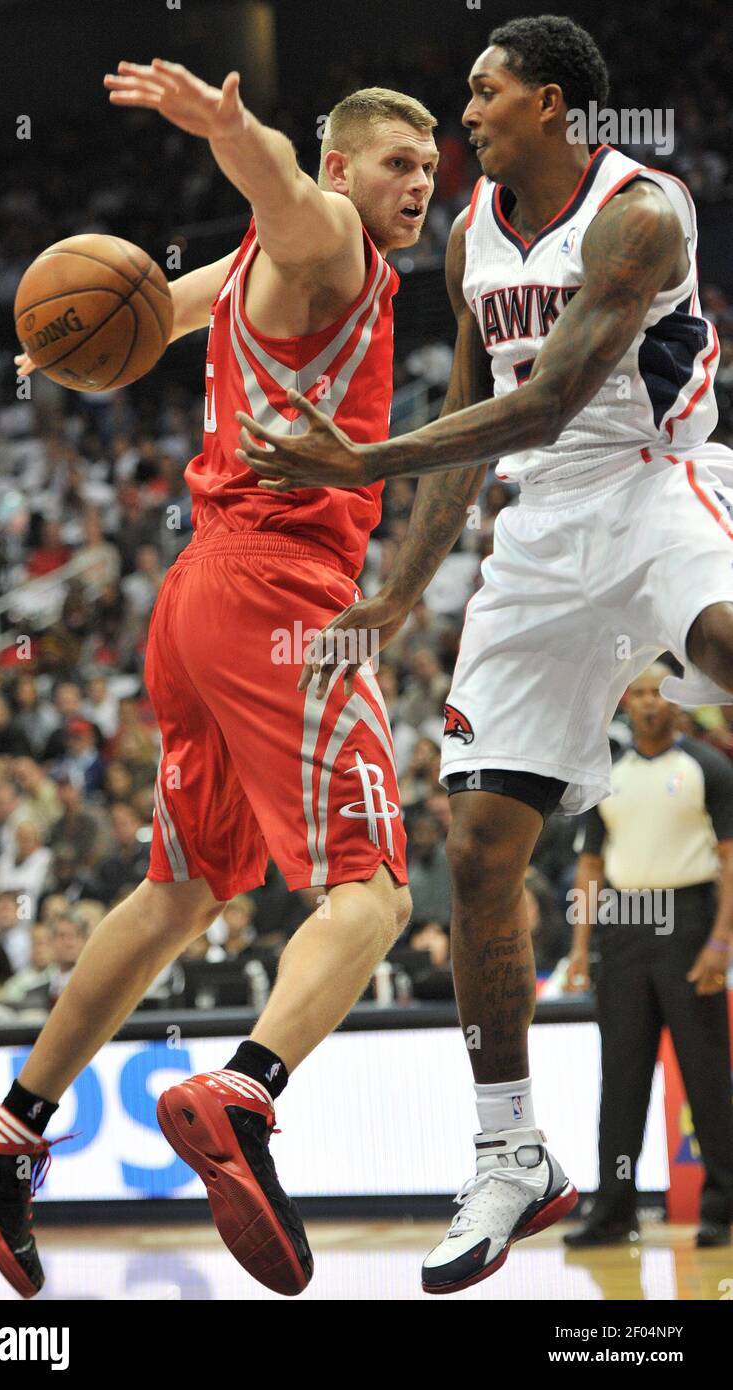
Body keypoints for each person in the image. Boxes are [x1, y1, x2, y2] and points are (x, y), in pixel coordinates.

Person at [237, 15, 733, 1292]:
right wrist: (399, 591)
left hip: (651, 482)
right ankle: (511, 1152)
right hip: (533, 533)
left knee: (727, 643)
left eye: (484, 91)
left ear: (556, 106)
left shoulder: (642, 211)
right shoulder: (466, 236)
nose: (464, 113)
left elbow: (557, 395)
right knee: (473, 846)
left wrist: (359, 459)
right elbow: (473, 419)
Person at [0, 57, 437, 1298]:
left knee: (181, 890)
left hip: (199, 599)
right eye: (396, 163)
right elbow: (281, 193)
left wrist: (80, 327)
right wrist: (234, 130)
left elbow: (151, 313)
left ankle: (9, 1126)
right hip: (281, 600)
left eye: (430, 169)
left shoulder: (292, 265)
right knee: (370, 894)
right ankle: (243, 1092)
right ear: (339, 168)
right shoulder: (323, 238)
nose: (418, 185)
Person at [563, 664, 733, 1248]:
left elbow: (731, 860)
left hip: (690, 923)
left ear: (677, 703)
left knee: (707, 1073)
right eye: (637, 693)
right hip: (621, 928)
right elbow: (589, 866)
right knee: (622, 1077)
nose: (648, 703)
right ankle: (613, 1211)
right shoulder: (604, 774)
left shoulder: (707, 767)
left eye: (658, 692)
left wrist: (720, 942)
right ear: (624, 704)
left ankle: (723, 1208)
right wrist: (581, 948)